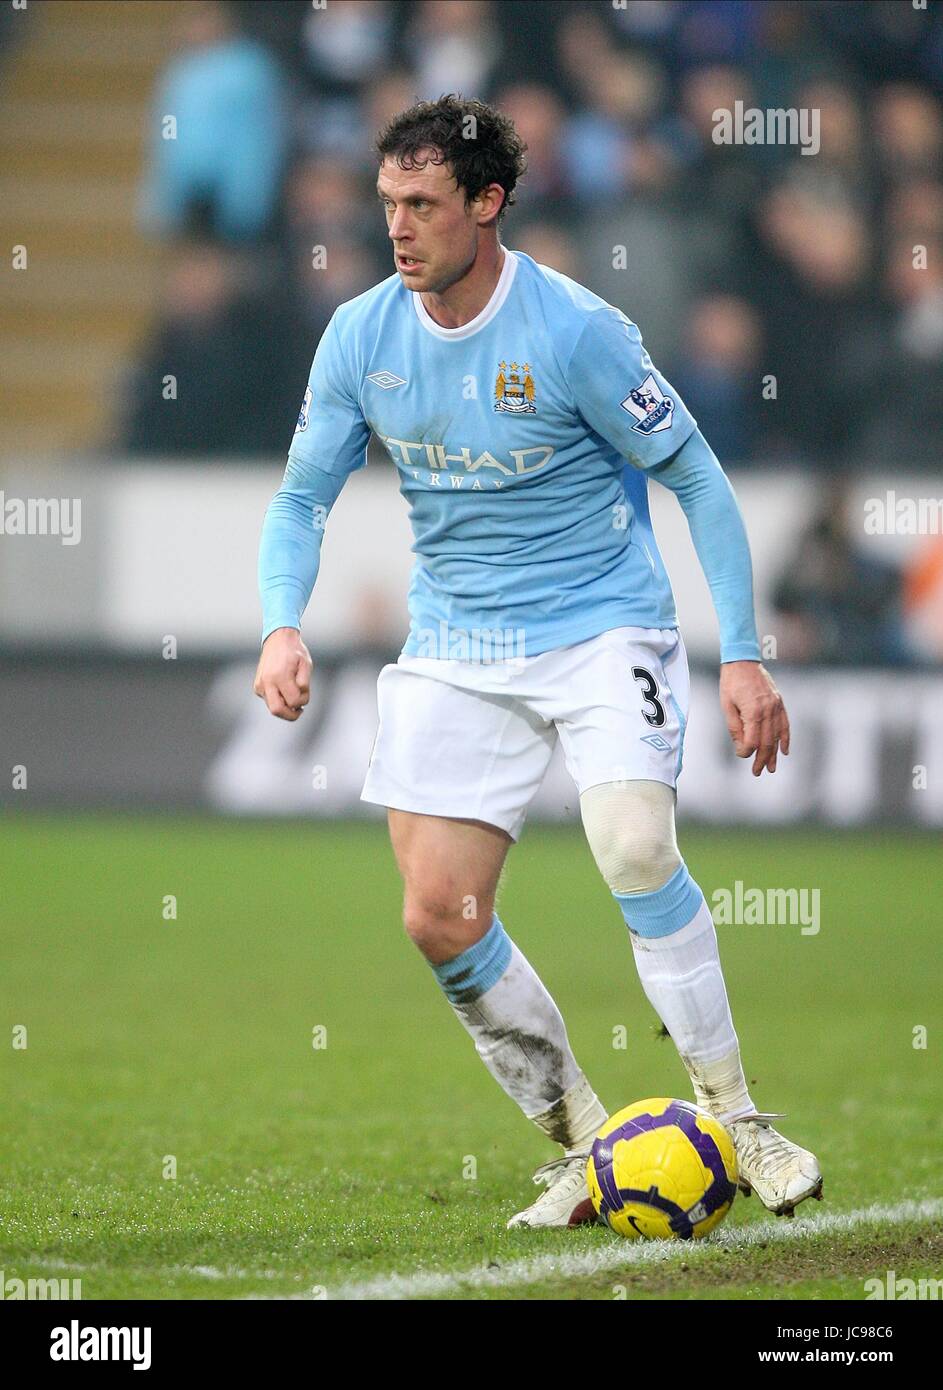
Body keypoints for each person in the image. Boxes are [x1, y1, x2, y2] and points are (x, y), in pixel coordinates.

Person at [255, 95, 822, 1229]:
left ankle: (742, 1122)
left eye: (422, 204)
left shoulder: (574, 330)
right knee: (438, 914)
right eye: (387, 205)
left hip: (601, 625)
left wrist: (745, 657)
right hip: (457, 645)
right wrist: (281, 619)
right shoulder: (363, 333)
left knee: (630, 841)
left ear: (486, 203)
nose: (399, 228)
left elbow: (699, 480)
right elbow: (303, 495)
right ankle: (583, 1142)